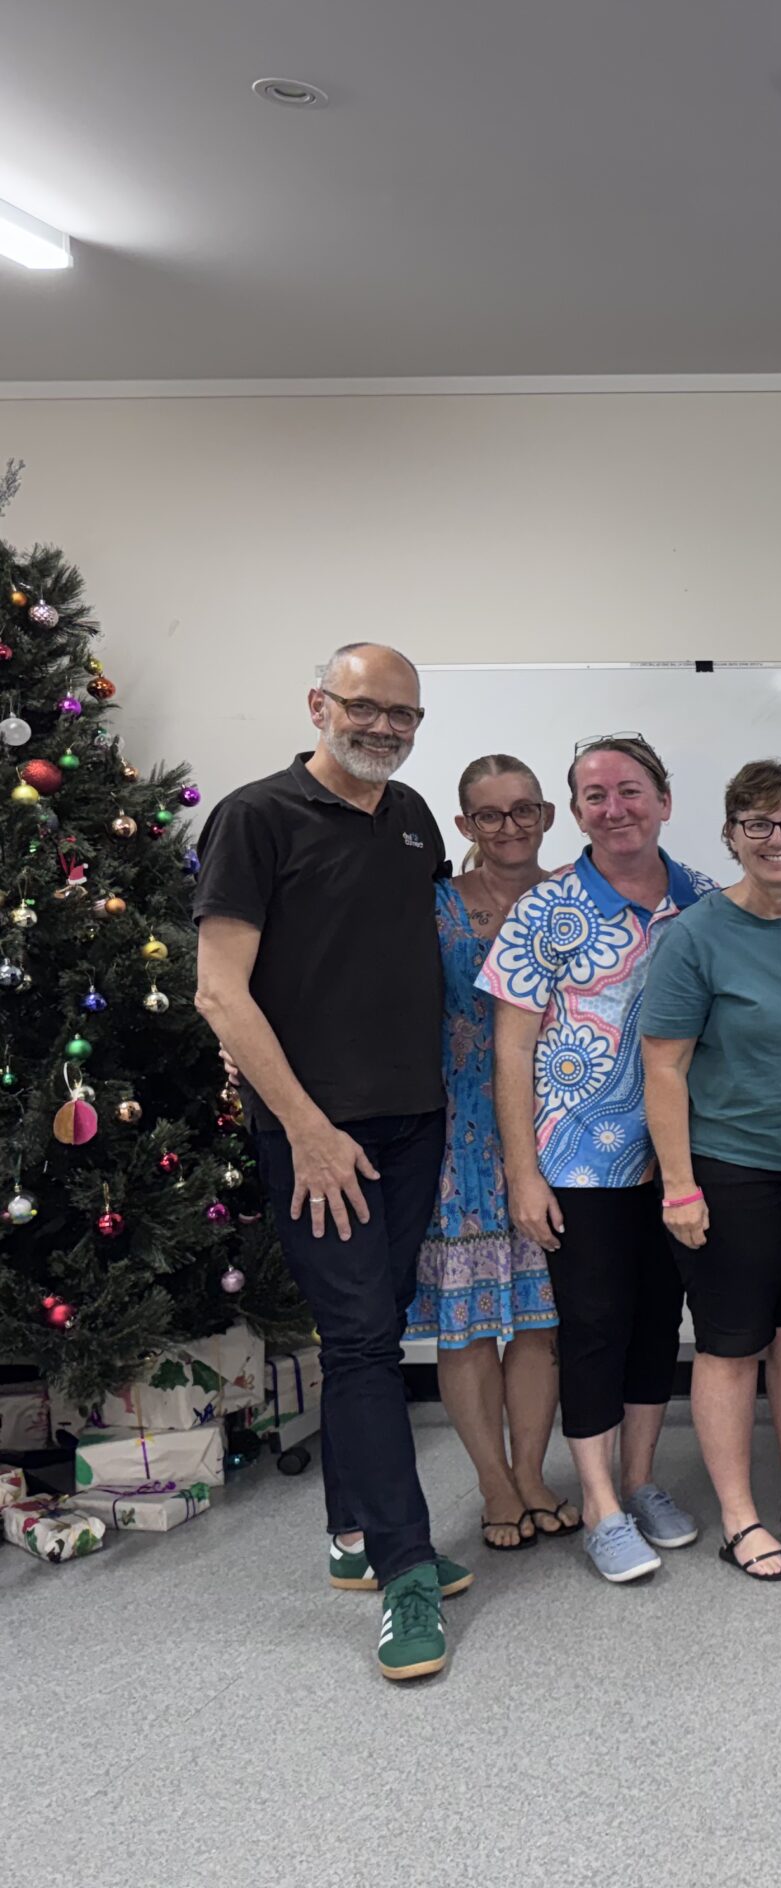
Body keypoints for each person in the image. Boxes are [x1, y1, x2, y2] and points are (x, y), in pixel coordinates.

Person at [194, 642, 472, 1681]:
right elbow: (220, 992)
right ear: (320, 704)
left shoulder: (408, 818)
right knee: (361, 1346)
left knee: (378, 1326)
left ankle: (355, 1536)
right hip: (322, 1140)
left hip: (411, 1123)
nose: (388, 729)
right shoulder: (256, 818)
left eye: (406, 715)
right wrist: (306, 1128)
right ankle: (404, 1573)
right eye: (368, 708)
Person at [482, 734, 718, 1585]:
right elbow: (509, 1051)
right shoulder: (544, 909)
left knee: (660, 1324)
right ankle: (599, 1505)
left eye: (630, 790)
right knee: (592, 1331)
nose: (614, 809)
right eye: (593, 796)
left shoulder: (705, 898)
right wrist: (522, 1171)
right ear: (575, 812)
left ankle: (642, 1480)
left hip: (681, 1162)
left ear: (663, 798)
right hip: (578, 1163)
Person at [639, 761, 781, 1585]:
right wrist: (679, 1185)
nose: (778, 840)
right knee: (734, 1344)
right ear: (730, 834)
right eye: (759, 825)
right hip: (729, 1170)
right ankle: (740, 1515)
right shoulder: (694, 935)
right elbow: (663, 1069)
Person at [406, 754, 575, 1553]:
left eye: (525, 810)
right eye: (491, 814)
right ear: (465, 823)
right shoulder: (431, 907)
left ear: (547, 814)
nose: (510, 827)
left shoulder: (577, 897)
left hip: (559, 1137)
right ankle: (494, 1483)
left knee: (541, 1324)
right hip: (457, 1141)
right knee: (468, 1328)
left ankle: (536, 1473)